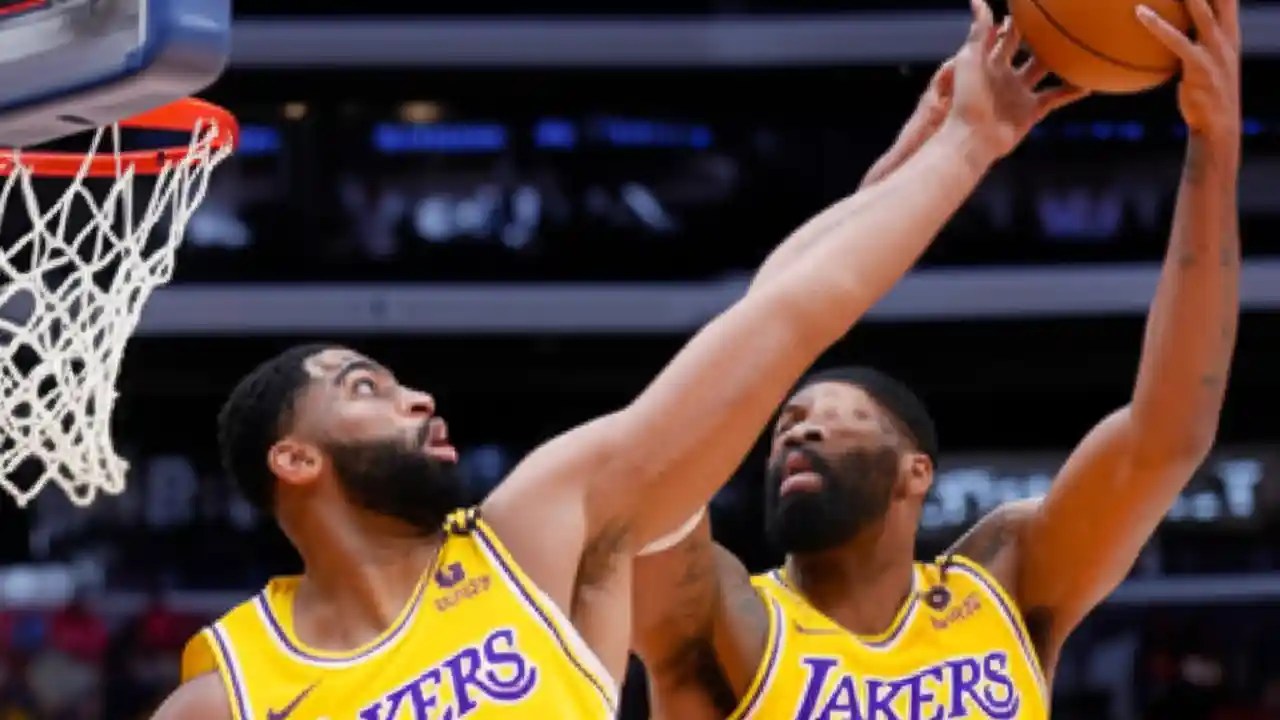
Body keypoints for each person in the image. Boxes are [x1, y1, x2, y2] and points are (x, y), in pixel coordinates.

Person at [149, 2, 1084, 716]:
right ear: (294, 458)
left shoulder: (538, 534)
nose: (420, 399)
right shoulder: (231, 689)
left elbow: (777, 326)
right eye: (367, 390)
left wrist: (956, 151)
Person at [630, 1, 1242, 719]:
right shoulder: (717, 618)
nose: (795, 430)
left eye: (839, 417)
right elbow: (746, 355)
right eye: (786, 423)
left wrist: (1214, 148)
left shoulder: (1005, 581)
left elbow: (1167, 437)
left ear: (914, 472)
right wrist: (921, 171)